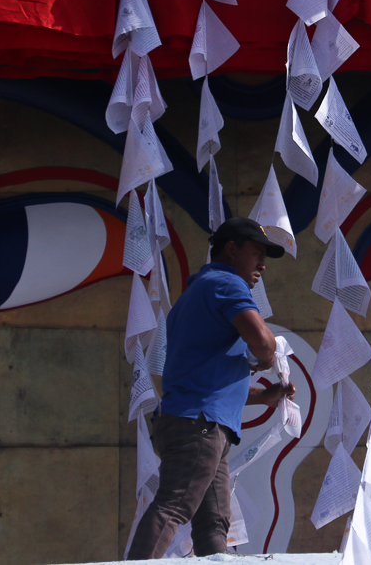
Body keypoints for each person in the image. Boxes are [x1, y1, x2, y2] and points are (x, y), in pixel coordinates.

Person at [126, 217, 297, 560]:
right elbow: (264, 345)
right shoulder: (228, 283)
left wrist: (263, 396)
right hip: (201, 426)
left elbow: (203, 379)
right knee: (176, 504)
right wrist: (265, 358)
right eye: (256, 253)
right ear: (231, 250)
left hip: (197, 422)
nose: (262, 265)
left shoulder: (194, 296)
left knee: (213, 524)